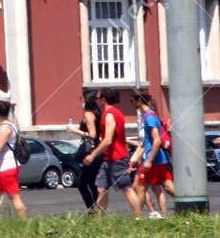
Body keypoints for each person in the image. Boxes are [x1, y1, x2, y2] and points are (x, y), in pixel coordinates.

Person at [83, 89, 140, 217]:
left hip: (117, 158)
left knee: (127, 189)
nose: (97, 101)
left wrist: (92, 155)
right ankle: (99, 219)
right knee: (101, 188)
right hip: (108, 159)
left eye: (99, 99)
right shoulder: (116, 113)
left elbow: (108, 140)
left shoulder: (110, 115)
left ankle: (139, 217)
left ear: (103, 99)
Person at [132, 90, 174, 219]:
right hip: (160, 159)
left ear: (138, 101)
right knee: (166, 186)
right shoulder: (151, 115)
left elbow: (156, 140)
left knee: (138, 186)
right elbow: (148, 142)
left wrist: (149, 160)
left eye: (132, 100)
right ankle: (187, 205)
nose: (132, 103)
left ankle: (137, 217)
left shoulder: (149, 117)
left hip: (154, 160)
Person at [69, 94, 102, 212]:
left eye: (82, 98)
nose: (81, 101)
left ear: (87, 100)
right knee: (91, 183)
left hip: (91, 151)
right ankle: (95, 210)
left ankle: (93, 210)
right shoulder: (96, 112)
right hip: (95, 151)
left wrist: (75, 131)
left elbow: (92, 135)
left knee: (83, 183)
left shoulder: (88, 114)